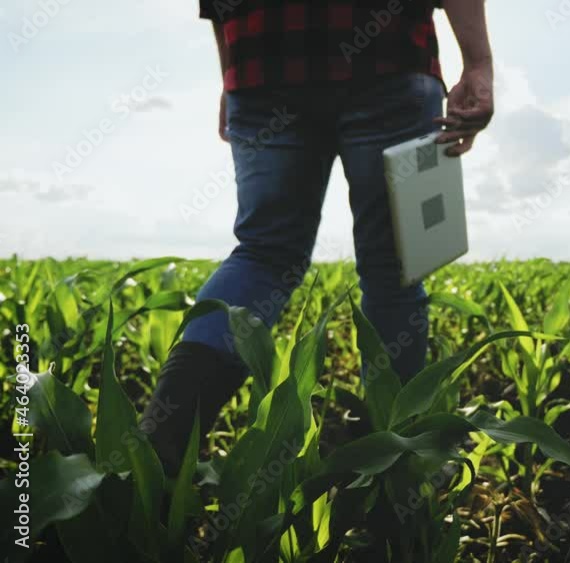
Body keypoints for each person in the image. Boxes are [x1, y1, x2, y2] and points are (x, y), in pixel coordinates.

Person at [140, 0, 494, 476]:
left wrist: (230, 73)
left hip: (263, 63)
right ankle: (391, 470)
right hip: (389, 56)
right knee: (395, 268)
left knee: (263, 255)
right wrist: (478, 63)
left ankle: (156, 453)